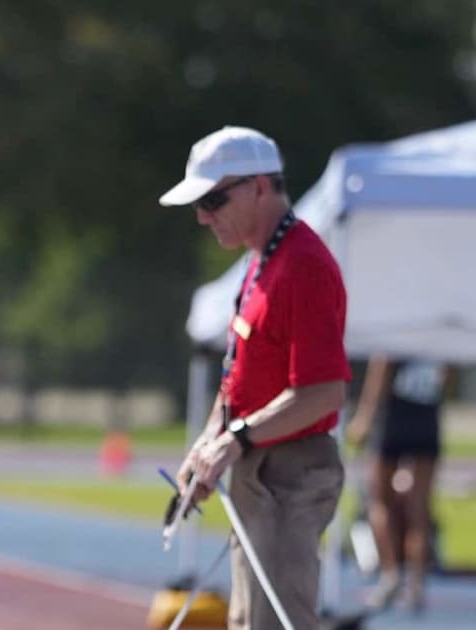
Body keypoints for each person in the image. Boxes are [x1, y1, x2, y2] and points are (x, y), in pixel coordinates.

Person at [161, 126, 351, 630]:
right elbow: (237, 376)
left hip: (292, 472)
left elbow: (324, 391)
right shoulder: (259, 262)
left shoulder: (303, 265)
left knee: (278, 621)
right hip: (259, 466)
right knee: (249, 620)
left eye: (214, 200)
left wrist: (235, 440)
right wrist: (210, 442)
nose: (203, 216)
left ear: (260, 187)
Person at [346, 355, 454, 611]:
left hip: (395, 419)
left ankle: (391, 574)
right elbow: (448, 377)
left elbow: (380, 369)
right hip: (426, 418)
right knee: (419, 505)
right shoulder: (439, 332)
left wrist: (364, 416)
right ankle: (416, 581)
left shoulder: (401, 326)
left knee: (380, 499)